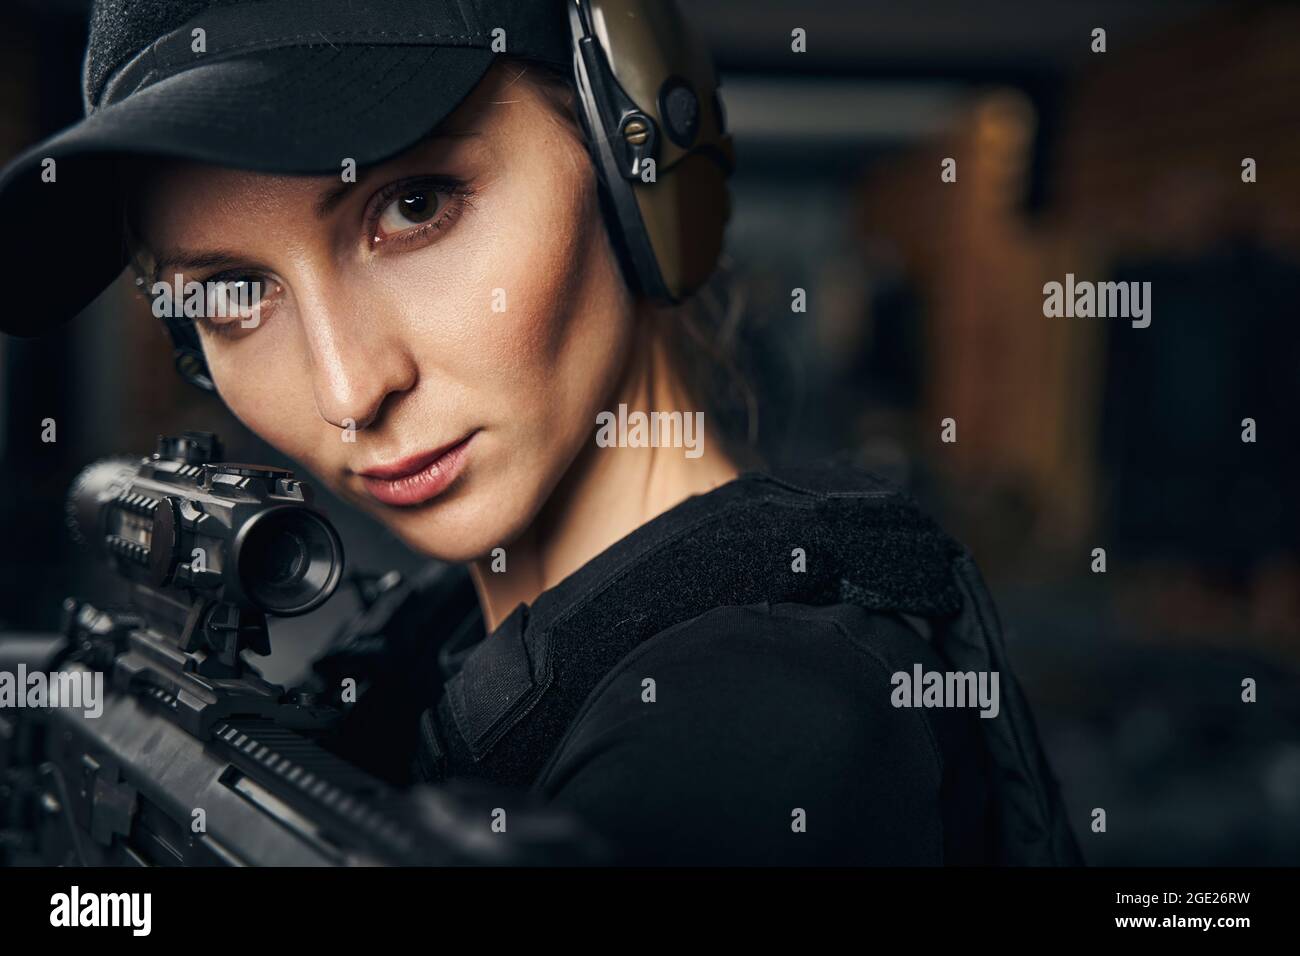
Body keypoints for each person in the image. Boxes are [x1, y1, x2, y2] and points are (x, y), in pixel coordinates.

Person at [0, 0, 1081, 865]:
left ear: (628, 165)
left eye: (414, 206)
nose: (347, 387)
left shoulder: (766, 721)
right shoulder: (448, 648)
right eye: (233, 293)